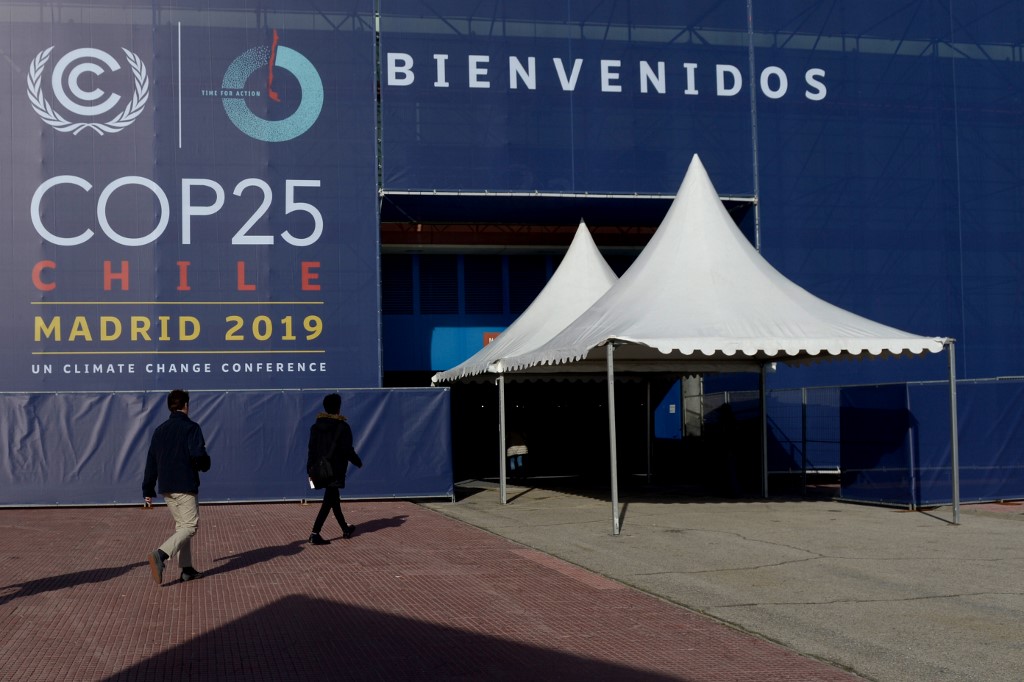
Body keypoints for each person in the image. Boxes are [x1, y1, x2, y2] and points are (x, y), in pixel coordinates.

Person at [142, 389, 211, 584]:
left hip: (166, 487)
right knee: (190, 526)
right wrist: (205, 463)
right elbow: (199, 456)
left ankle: (187, 569)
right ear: (186, 406)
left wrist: (148, 489)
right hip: (185, 484)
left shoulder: (160, 430)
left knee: (182, 526)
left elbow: (151, 462)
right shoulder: (191, 428)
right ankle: (160, 555)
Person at [306, 392, 363, 545]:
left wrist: (310, 468)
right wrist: (358, 462)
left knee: (333, 499)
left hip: (319, 469)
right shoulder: (343, 427)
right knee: (329, 501)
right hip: (336, 470)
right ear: (338, 408)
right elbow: (347, 450)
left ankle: (345, 528)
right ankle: (315, 533)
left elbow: (311, 449)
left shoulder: (315, 427)